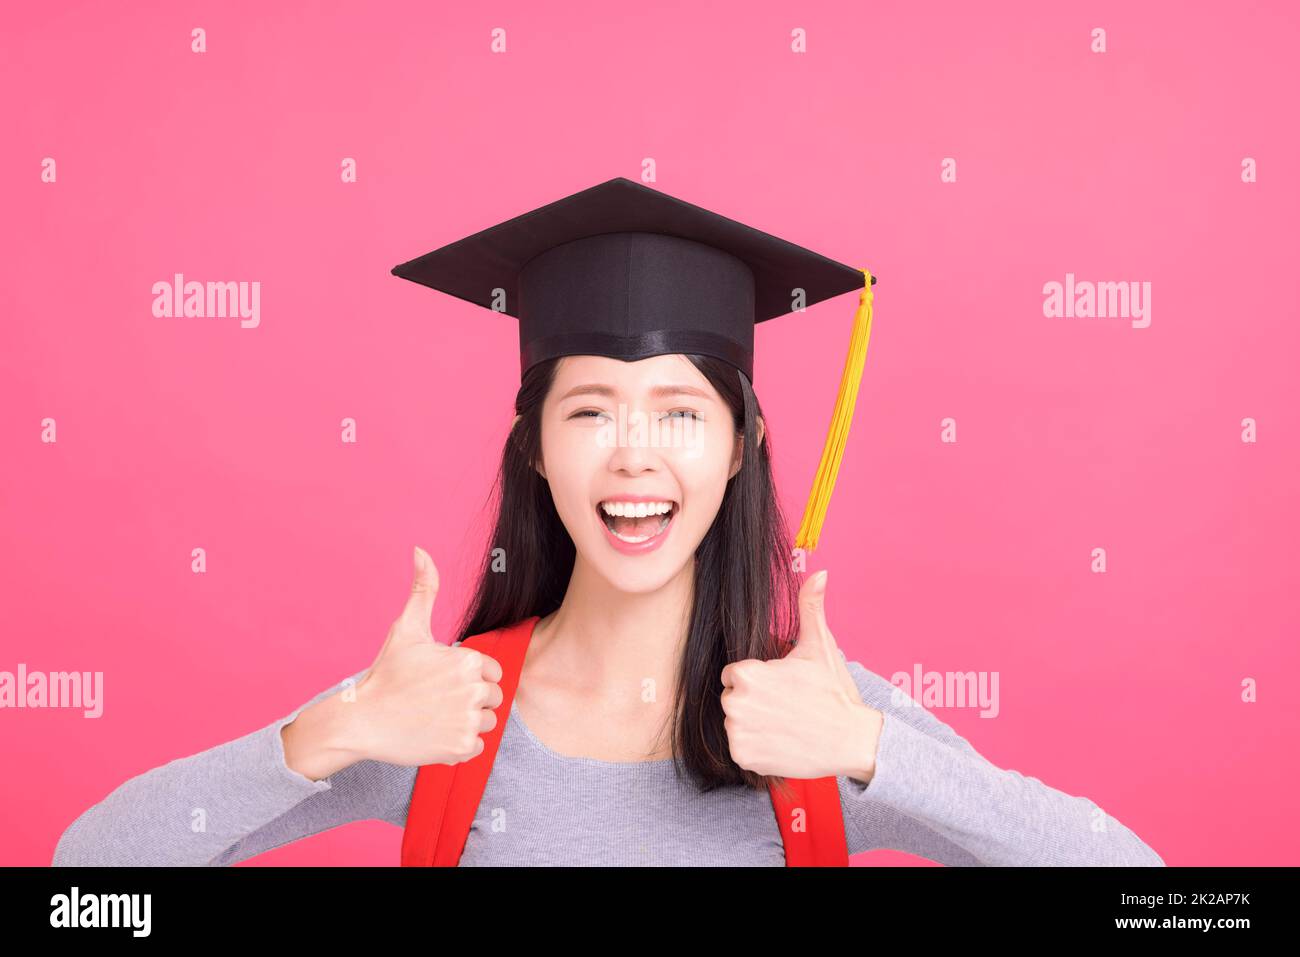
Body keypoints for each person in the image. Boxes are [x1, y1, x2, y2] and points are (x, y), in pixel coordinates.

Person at [52, 178, 1164, 867]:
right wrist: (328, 734)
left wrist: (874, 756)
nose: (634, 450)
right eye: (591, 410)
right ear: (537, 446)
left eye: (681, 412)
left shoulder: (818, 721)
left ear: (743, 450)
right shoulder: (437, 718)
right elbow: (87, 874)